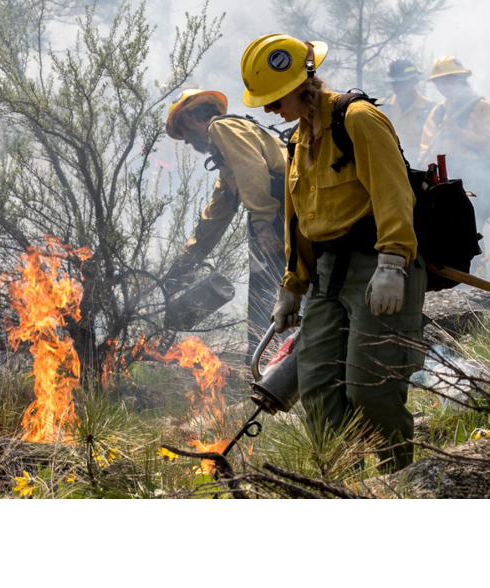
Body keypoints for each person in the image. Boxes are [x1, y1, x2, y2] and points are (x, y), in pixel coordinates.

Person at [242, 32, 427, 471]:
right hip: (327, 276)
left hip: (376, 268)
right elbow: (299, 219)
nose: (269, 109)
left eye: (274, 99)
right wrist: (293, 286)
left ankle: (400, 478)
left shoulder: (358, 119)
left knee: (371, 388)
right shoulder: (298, 140)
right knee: (317, 388)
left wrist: (392, 262)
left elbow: (394, 192)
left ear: (300, 85)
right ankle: (343, 481)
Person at [165, 88, 288, 349]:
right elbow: (216, 214)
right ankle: (270, 358)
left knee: (273, 293)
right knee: (271, 294)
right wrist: (187, 261)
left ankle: (270, 359)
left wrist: (263, 222)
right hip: (281, 216)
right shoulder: (227, 155)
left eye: (182, 132)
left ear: (188, 118)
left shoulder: (222, 128)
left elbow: (252, 169)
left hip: (285, 216)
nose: (186, 142)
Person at [419, 55, 490, 220]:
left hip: (473, 178)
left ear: (462, 79)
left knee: (471, 226)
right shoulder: (438, 112)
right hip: (443, 180)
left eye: (449, 79)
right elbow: (426, 149)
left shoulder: (481, 107)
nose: (444, 86)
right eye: (439, 82)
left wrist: (458, 133)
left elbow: (488, 144)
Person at [382, 58, 434, 166]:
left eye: (403, 82)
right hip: (388, 167)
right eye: (394, 83)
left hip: (419, 169)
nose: (398, 86)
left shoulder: (430, 109)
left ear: (415, 81)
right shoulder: (381, 107)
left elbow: (433, 146)